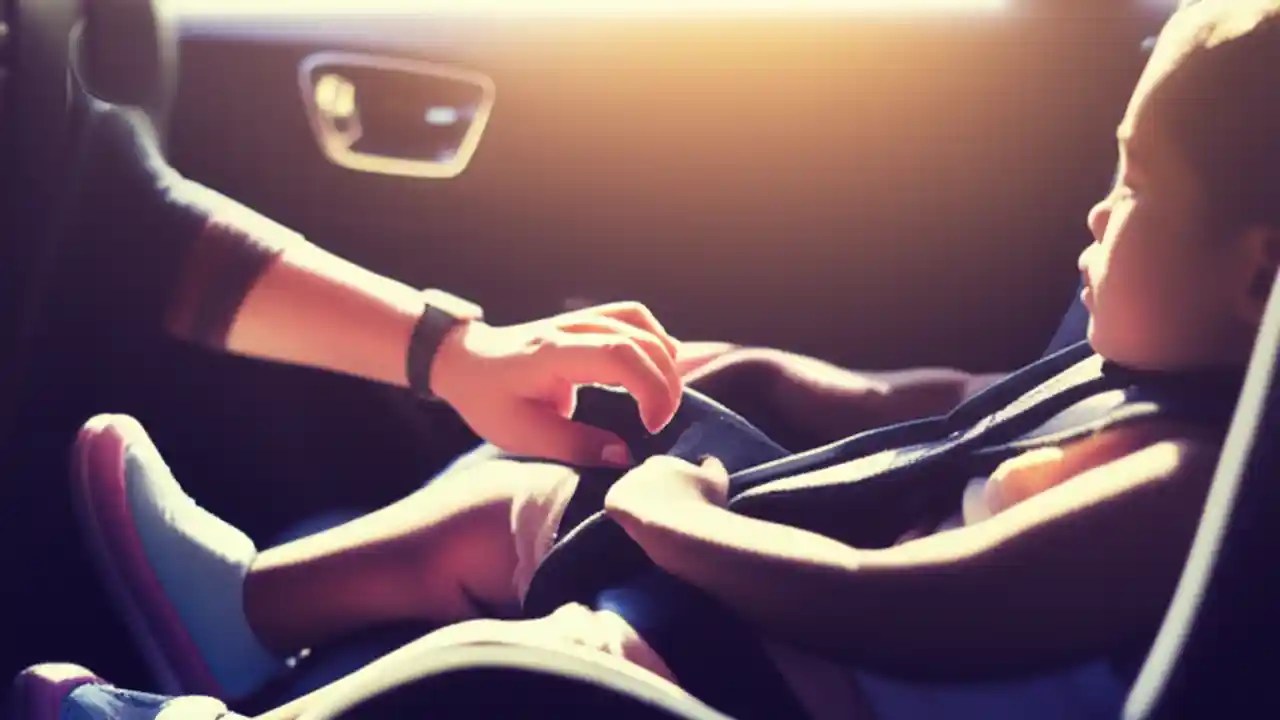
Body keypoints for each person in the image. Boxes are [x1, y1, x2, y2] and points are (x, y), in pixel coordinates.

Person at [15, 0, 1280, 718]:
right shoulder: (1134, 378)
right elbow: (934, 410)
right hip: (774, 630)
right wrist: (750, 378)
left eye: (1132, 184)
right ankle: (243, 616)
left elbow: (909, 604)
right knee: (524, 485)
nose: (1096, 212)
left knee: (520, 674)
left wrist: (684, 521)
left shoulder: (1185, 491)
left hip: (792, 685)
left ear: (1253, 278)